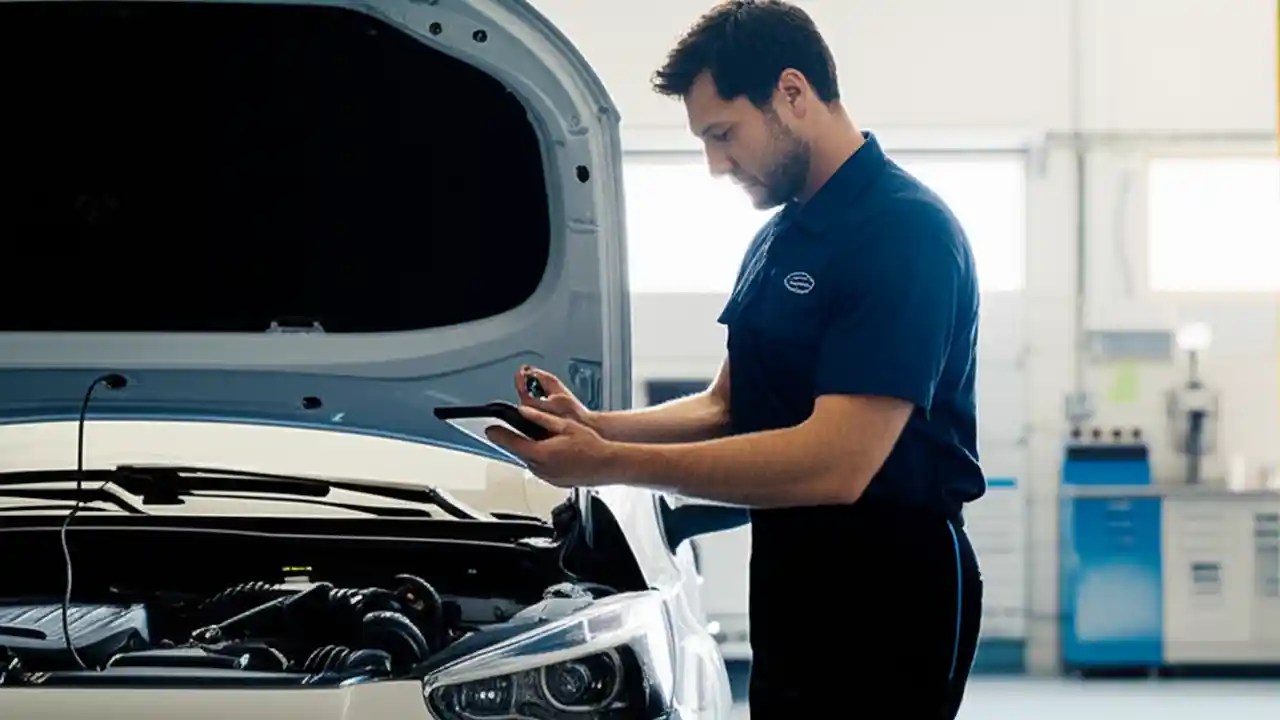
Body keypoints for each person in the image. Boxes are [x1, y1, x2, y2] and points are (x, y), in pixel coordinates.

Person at [485, 1, 985, 717]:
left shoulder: (905, 232)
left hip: (893, 583)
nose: (717, 164)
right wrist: (596, 424)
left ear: (792, 93)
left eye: (724, 134)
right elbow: (728, 403)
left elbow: (837, 463)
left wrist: (609, 464)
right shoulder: (781, 236)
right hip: (793, 562)